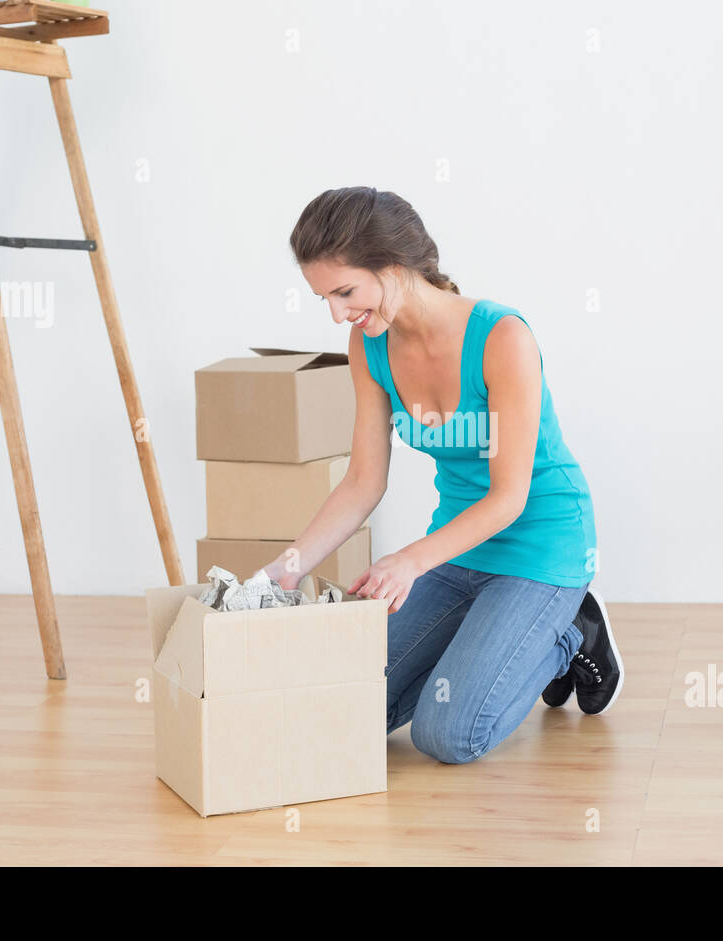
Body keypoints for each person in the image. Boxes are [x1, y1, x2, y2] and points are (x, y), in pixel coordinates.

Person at [258, 186, 622, 762]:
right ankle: (491, 635)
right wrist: (289, 566)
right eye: (323, 297)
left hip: (540, 545)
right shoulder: (368, 344)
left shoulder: (502, 338)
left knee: (448, 735)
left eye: (345, 291)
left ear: (395, 267)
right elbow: (363, 481)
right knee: (351, 707)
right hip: (455, 550)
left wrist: (408, 561)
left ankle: (569, 631)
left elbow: (508, 498)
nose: (336, 312)